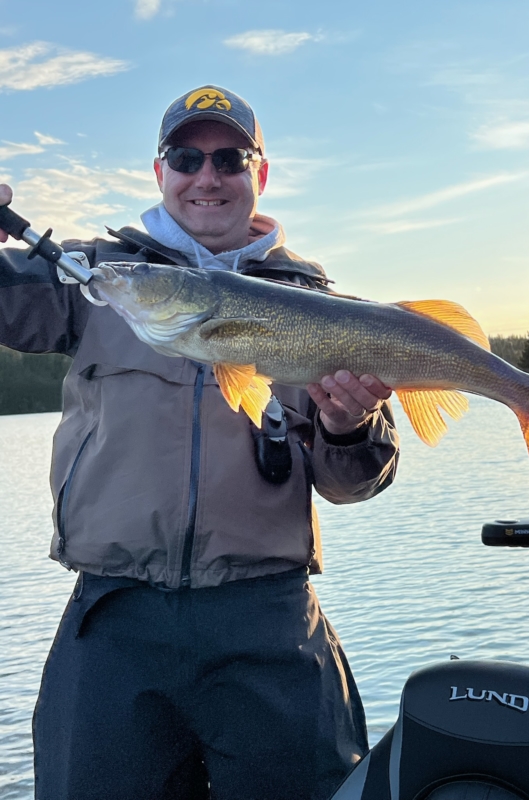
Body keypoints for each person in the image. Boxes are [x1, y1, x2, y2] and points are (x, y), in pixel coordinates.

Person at [0, 84, 399, 800]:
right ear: (161, 173)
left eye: (230, 158)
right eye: (186, 157)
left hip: (270, 622)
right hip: (113, 623)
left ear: (260, 175)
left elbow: (353, 482)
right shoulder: (94, 278)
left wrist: (347, 425)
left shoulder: (320, 303)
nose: (207, 176)